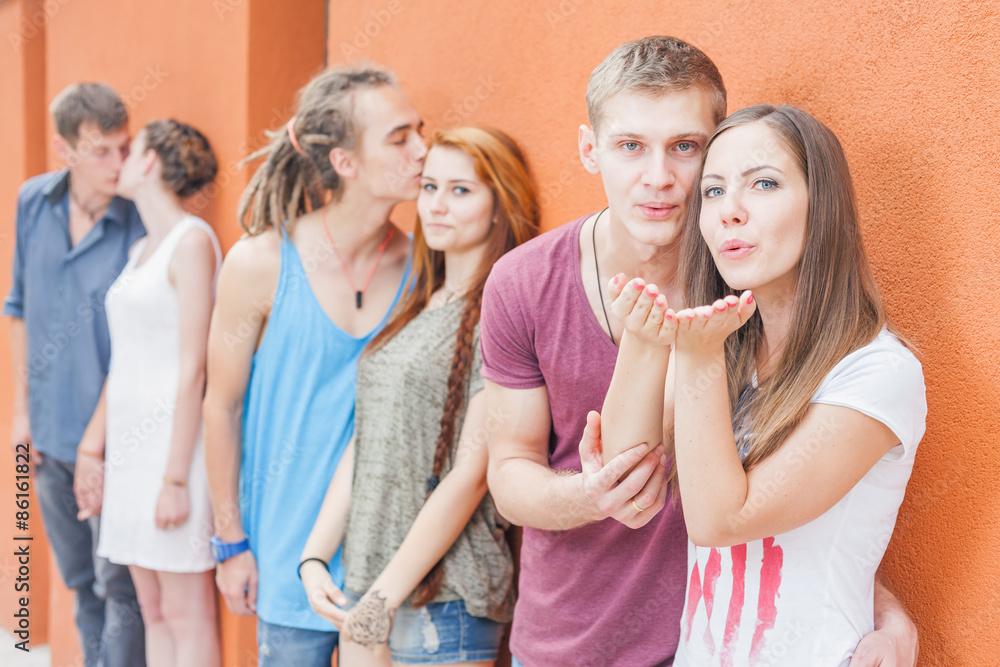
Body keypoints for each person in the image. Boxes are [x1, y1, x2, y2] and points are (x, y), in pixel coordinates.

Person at [481, 37, 919, 666]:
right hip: (568, 642)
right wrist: (592, 495)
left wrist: (883, 610)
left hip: (692, 643)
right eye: (630, 146)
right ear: (590, 149)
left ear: (715, 149)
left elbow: (780, 492)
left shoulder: (744, 290)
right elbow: (510, 471)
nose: (658, 177)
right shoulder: (524, 281)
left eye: (684, 147)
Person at [601, 104, 926, 666]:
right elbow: (624, 474)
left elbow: (721, 521)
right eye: (713, 191)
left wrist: (696, 355)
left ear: (821, 206)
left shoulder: (876, 373)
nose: (730, 212)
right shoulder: (726, 349)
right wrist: (645, 336)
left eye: (764, 184)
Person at [202, 64, 425, 666]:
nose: (423, 151)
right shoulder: (259, 264)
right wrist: (230, 543)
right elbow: (219, 406)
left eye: (419, 132)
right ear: (345, 162)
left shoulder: (424, 271)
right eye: (399, 138)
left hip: (393, 564)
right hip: (283, 555)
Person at [300, 126, 540, 666]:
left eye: (460, 191)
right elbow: (367, 442)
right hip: (368, 584)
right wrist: (315, 557)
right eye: (429, 187)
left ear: (500, 204)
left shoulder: (498, 315)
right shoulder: (417, 307)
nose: (436, 205)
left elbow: (472, 473)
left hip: (442, 597)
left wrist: (384, 599)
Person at [4, 82, 146, 667]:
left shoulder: (140, 220)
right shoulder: (33, 201)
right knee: (81, 584)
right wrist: (21, 414)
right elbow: (18, 307)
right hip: (50, 440)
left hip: (115, 445)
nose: (119, 163)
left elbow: (141, 345)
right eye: (101, 152)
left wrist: (97, 444)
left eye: (124, 147)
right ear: (64, 150)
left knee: (121, 589)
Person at [94, 118, 222, 667]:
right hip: (129, 453)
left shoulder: (192, 242)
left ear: (149, 163)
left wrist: (175, 479)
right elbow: (125, 360)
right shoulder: (141, 248)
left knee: (187, 612)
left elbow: (195, 368)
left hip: (175, 453)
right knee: (152, 608)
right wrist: (91, 448)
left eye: (130, 149)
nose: (119, 159)